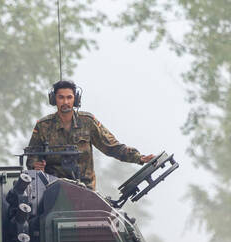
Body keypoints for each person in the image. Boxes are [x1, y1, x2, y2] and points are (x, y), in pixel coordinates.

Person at [24, 80, 155, 188]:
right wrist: (36, 166)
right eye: (61, 97)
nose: (65, 102)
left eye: (69, 97)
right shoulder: (43, 126)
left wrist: (139, 158)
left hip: (85, 189)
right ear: (54, 99)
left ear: (75, 99)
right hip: (52, 188)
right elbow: (32, 156)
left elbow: (112, 147)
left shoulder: (88, 122)